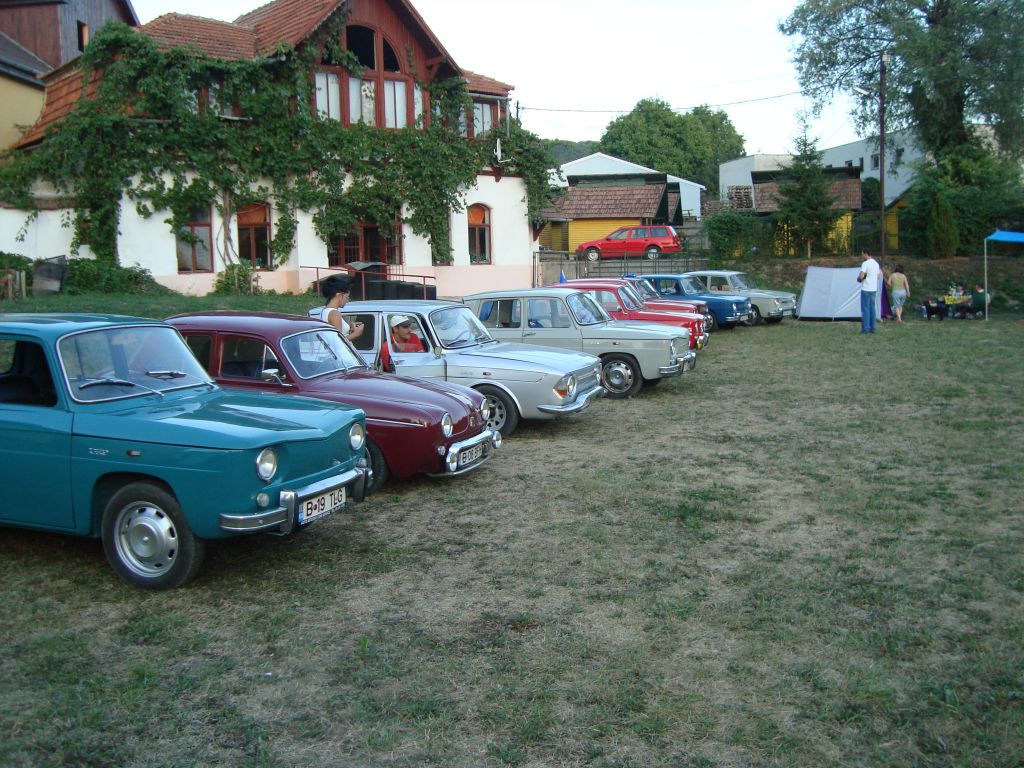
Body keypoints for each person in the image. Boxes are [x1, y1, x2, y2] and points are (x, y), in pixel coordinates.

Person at [308, 275, 363, 342]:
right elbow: (337, 342)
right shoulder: (334, 314)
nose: (347, 301)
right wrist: (356, 334)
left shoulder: (324, 311)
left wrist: (349, 330)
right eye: (347, 297)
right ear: (339, 295)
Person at [857, 249, 881, 333]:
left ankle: (865, 329)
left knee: (865, 309)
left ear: (866, 254)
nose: (862, 256)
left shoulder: (865, 263)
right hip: (873, 289)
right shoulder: (876, 264)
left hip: (866, 289)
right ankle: (873, 328)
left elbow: (861, 276)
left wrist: (860, 278)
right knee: (872, 309)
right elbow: (878, 276)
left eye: (862, 254)